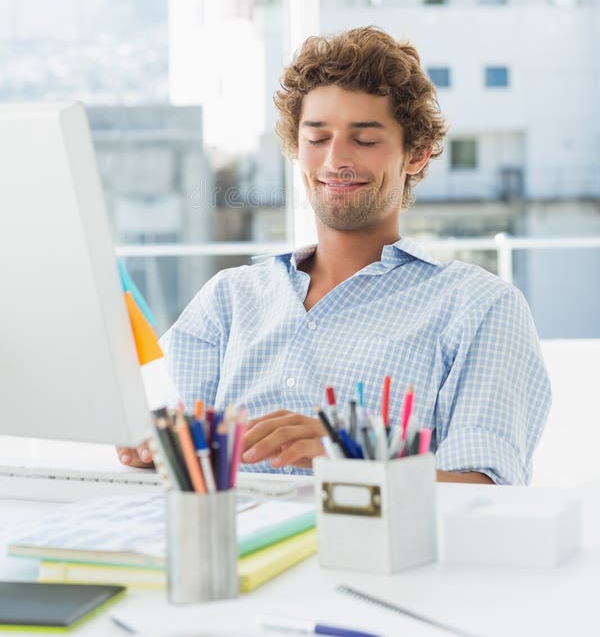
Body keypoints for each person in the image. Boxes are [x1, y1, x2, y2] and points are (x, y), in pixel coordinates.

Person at [119, 26, 551, 484]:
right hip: (232, 545)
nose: (334, 161)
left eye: (364, 140)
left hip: (374, 553)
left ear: (417, 154)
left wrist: (349, 460)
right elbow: (177, 453)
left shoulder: (480, 307)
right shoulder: (229, 299)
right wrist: (151, 448)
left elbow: (490, 493)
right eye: (317, 138)